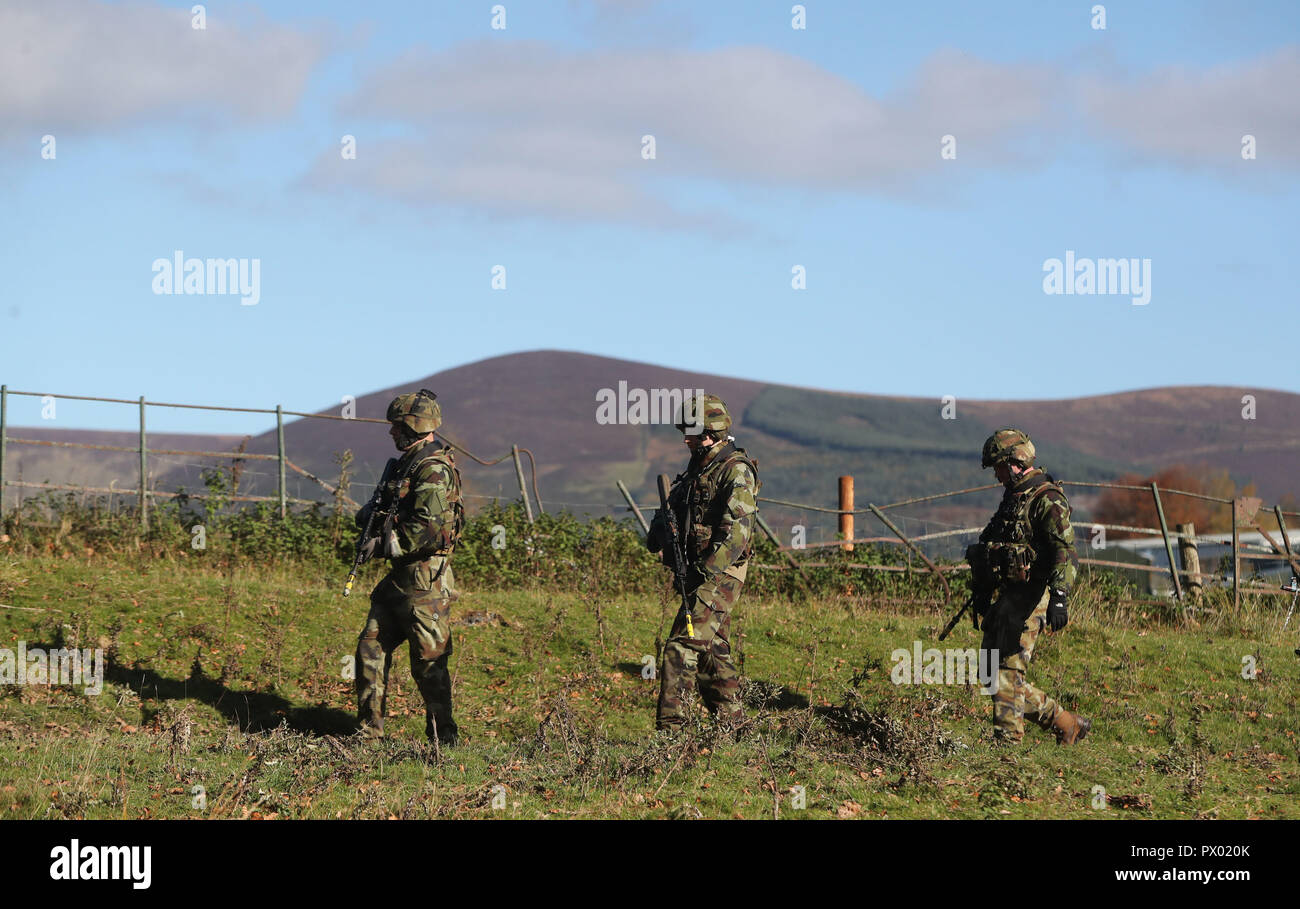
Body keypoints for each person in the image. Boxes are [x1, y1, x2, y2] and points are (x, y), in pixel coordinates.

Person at [354, 389, 465, 747]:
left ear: (414, 426)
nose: (391, 433)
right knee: (370, 648)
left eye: (397, 425)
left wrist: (385, 545)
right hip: (398, 579)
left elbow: (429, 529)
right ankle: (369, 735)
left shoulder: (432, 468)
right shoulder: (406, 463)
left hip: (425, 582)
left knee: (428, 664)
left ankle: (443, 740)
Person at [967, 428, 1090, 745]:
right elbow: (989, 542)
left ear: (1014, 461)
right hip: (1009, 597)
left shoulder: (1046, 499)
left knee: (1007, 672)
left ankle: (1007, 753)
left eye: (998, 467)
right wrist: (982, 588)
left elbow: (1066, 552)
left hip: (1033, 596)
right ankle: (1066, 723)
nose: (996, 475)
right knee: (990, 672)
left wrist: (1059, 598)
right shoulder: (1014, 498)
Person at [646, 394, 760, 731]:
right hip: (699, 571)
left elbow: (738, 533)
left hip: (721, 571)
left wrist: (704, 570)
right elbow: (672, 513)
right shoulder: (698, 468)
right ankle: (735, 729)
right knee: (712, 651)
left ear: (710, 431)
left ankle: (672, 733)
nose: (685, 438)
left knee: (681, 645)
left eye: (691, 432)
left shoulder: (735, 470)